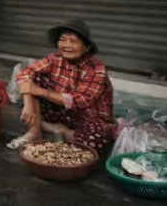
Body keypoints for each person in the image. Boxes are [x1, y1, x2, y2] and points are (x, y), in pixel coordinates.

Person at [8, 20, 115, 152]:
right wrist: (28, 103)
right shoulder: (54, 59)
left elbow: (77, 102)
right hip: (62, 113)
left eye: (73, 41)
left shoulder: (97, 70)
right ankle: (34, 132)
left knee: (92, 143)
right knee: (33, 78)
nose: (66, 45)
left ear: (87, 47)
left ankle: (58, 130)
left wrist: (39, 91)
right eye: (63, 40)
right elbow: (25, 73)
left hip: (89, 120)